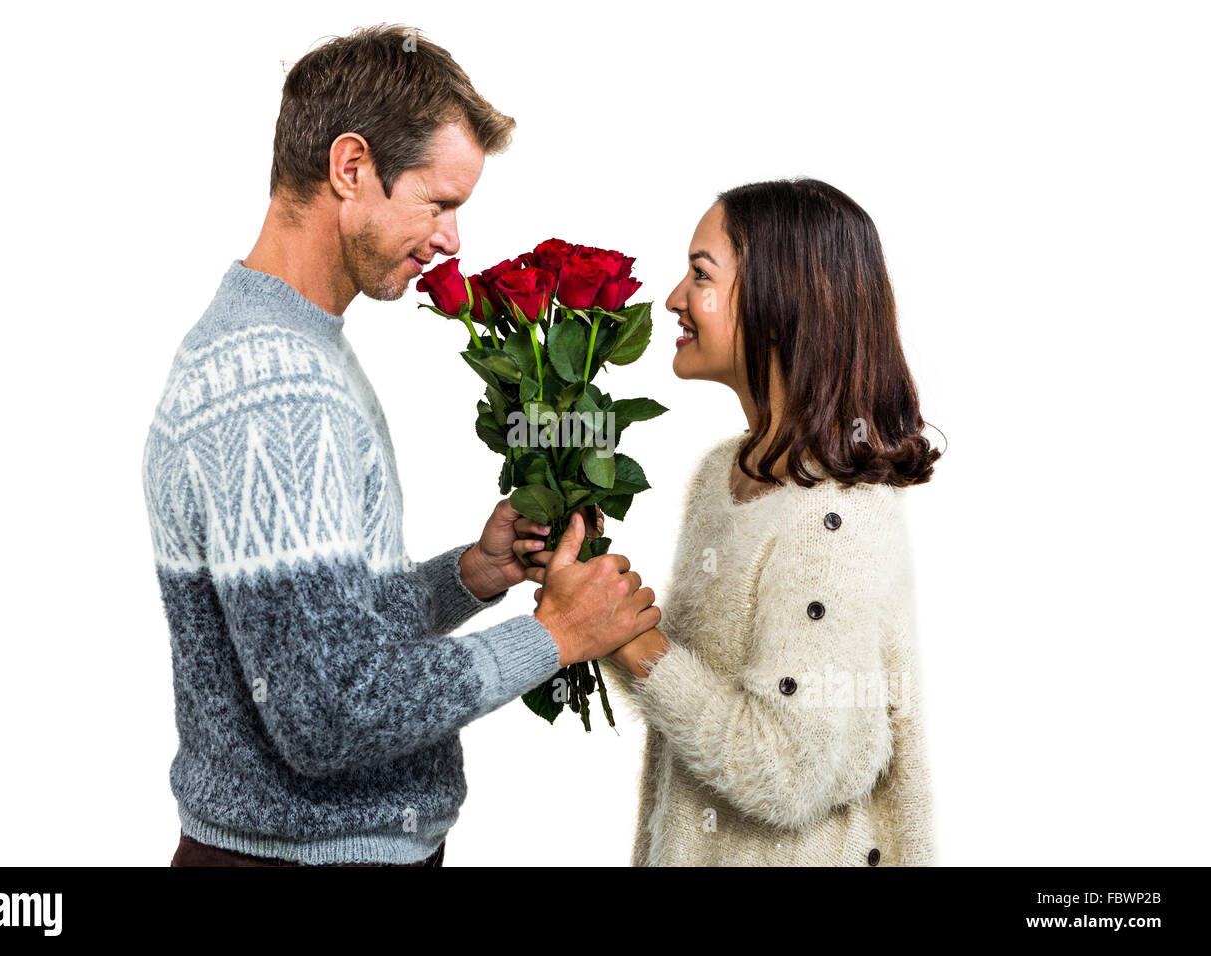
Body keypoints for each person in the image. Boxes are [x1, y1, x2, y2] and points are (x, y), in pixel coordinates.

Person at [141, 24, 659, 867]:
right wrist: (556, 638)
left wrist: (468, 577)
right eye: (439, 201)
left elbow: (312, 634)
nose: (451, 239)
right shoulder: (275, 385)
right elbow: (330, 714)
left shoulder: (288, 346)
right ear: (351, 168)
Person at [533, 178, 939, 865]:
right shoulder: (728, 472)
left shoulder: (833, 519)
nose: (673, 299)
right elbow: (698, 707)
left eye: (701, 274)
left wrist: (633, 644)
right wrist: (594, 606)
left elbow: (787, 769)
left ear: (781, 303)